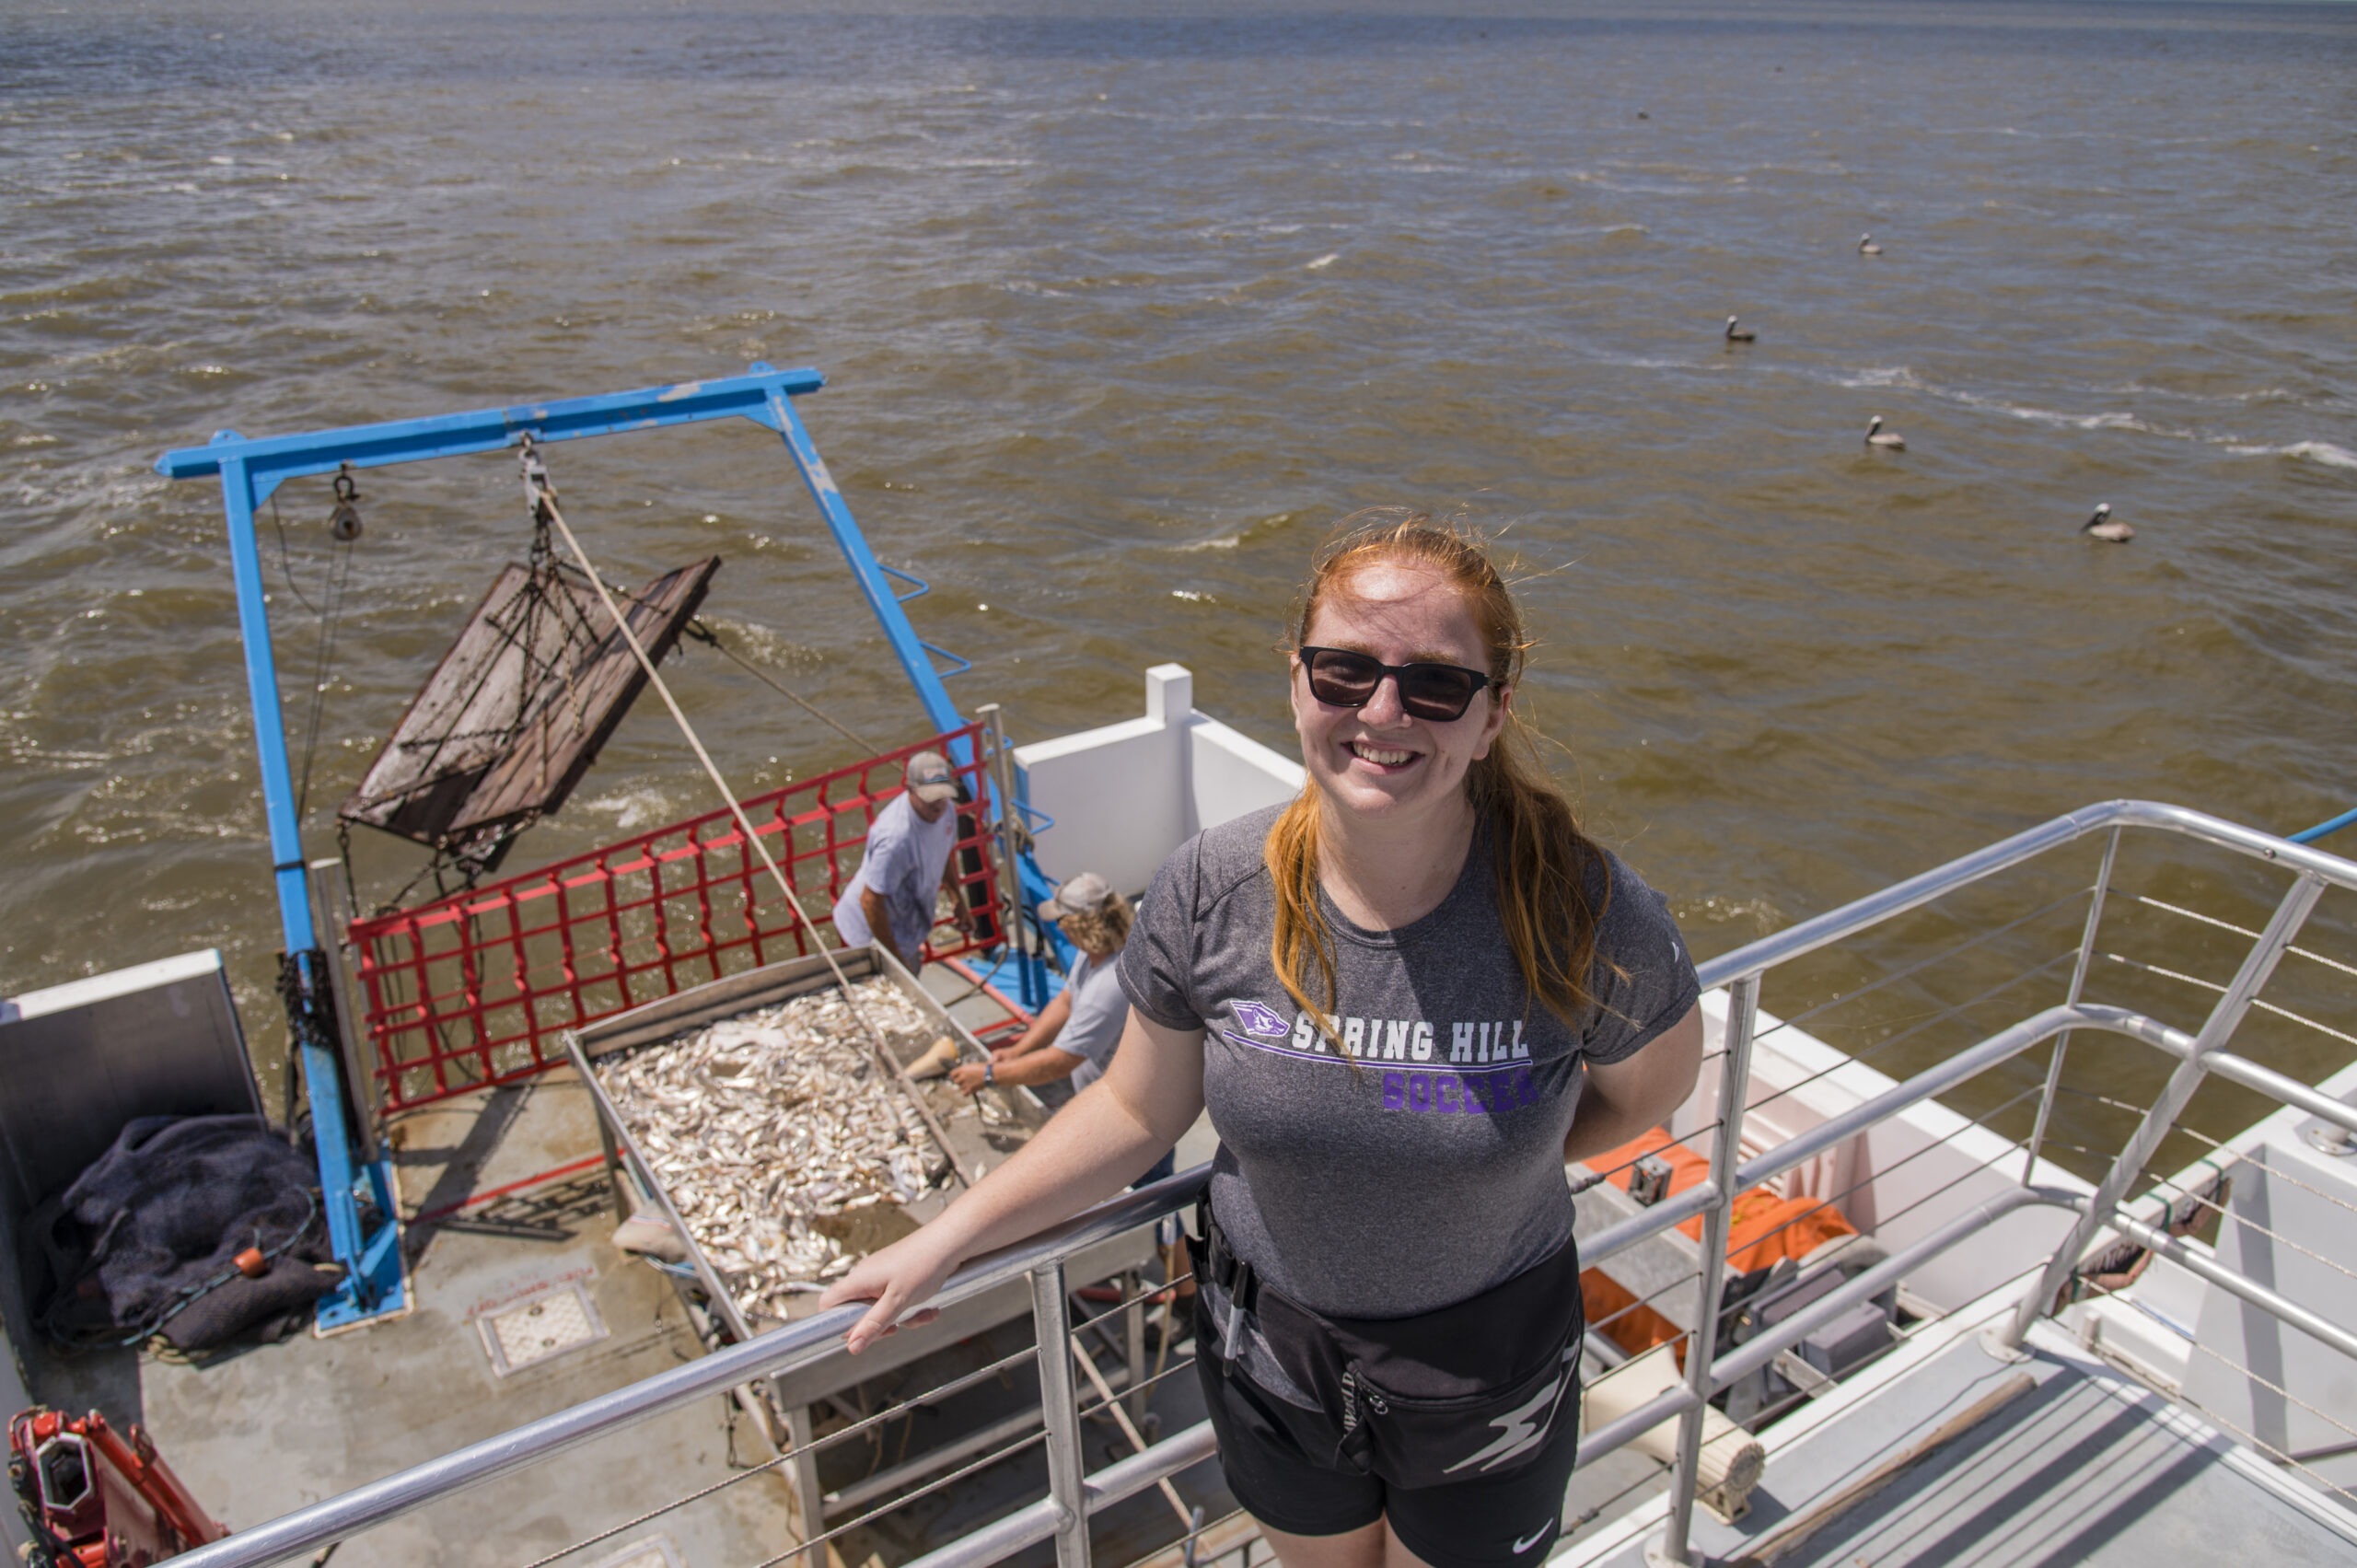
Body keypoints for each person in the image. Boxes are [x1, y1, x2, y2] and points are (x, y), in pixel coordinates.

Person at [824, 512, 1703, 1568]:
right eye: (1344, 672)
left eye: (1434, 683)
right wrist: (947, 1237)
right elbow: (1134, 1106)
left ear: (1491, 713)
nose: (1382, 710)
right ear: (1297, 684)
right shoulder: (1214, 887)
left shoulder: (1584, 908)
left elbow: (1644, 1092)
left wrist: (1492, 1154)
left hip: (1489, 1364)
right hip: (1270, 1352)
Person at [953, 872, 1183, 1191]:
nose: (1057, 928)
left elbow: (1061, 1062)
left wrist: (990, 1075)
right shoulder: (1092, 955)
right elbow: (1065, 1001)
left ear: (1079, 926)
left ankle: (1166, 1241)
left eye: (1061, 921)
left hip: (1130, 1125)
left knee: (1148, 1202)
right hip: (1107, 1106)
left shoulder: (1110, 982)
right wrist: (1019, 1051)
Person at [830, 750, 971, 971]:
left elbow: (942, 854)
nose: (938, 806)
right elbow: (869, 900)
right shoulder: (896, 840)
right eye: (930, 798)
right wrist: (894, 961)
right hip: (868, 933)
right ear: (909, 790)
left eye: (943, 796)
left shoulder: (946, 811)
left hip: (904, 925)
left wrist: (957, 900)